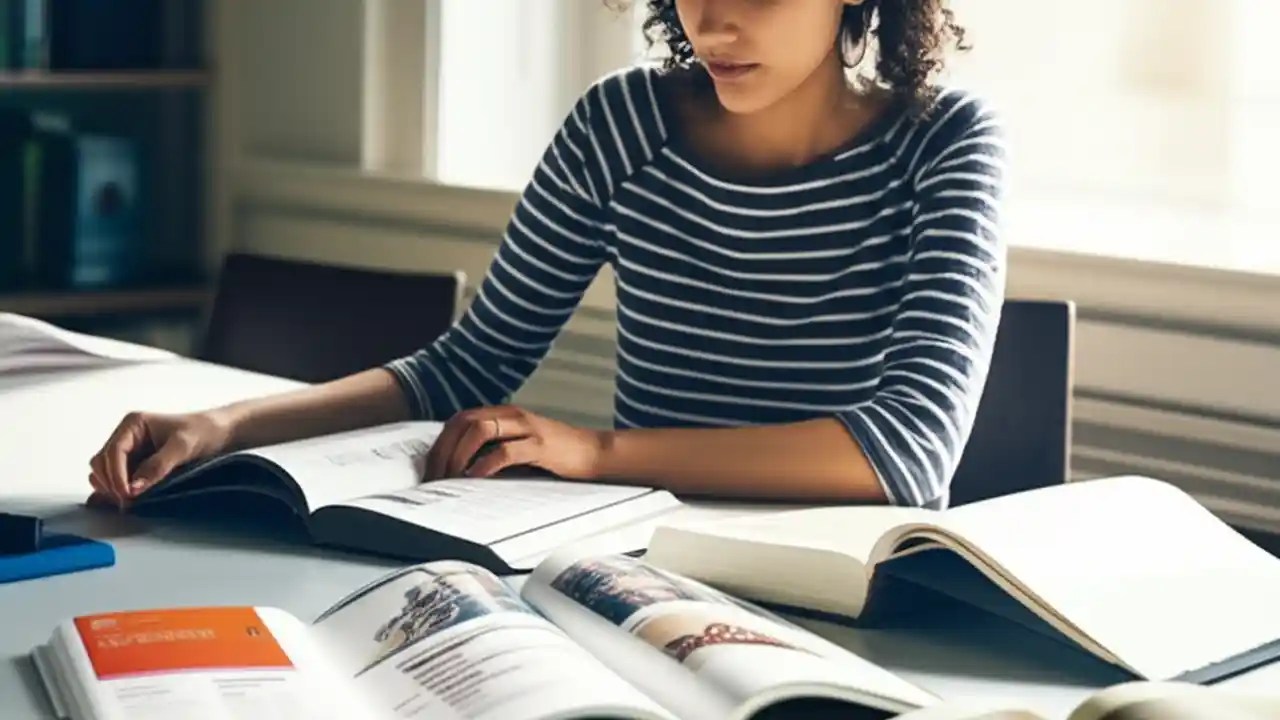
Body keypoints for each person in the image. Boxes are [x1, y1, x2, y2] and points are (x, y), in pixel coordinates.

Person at [89, 0, 1006, 512]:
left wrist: (597, 451)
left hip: (850, 598)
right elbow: (471, 363)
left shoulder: (945, 142)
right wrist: (224, 428)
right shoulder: (619, 126)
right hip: (641, 568)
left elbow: (903, 453)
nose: (715, 22)